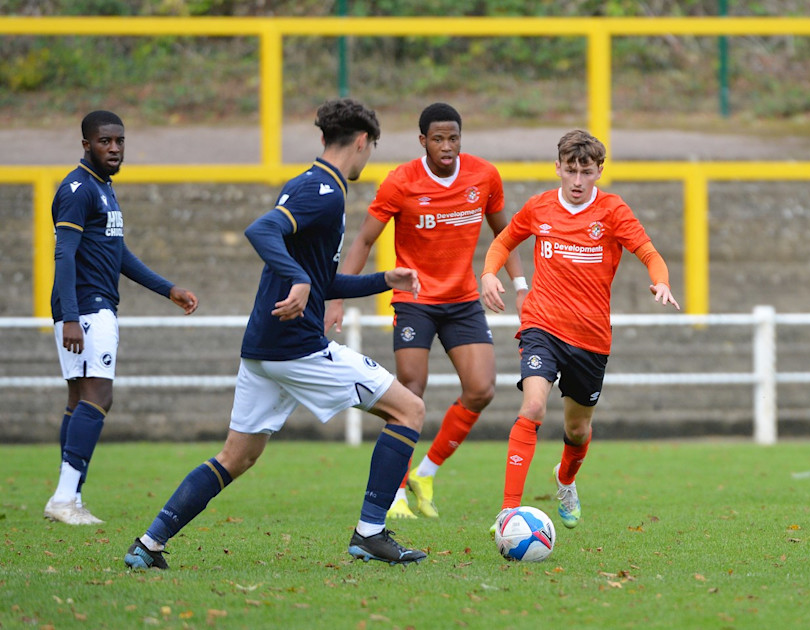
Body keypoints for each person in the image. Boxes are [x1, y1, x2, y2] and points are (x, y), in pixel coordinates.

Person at [124, 99, 428, 570]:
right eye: (371, 148)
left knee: (237, 456)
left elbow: (319, 280)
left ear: (324, 137)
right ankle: (370, 533)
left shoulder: (308, 183)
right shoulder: (325, 192)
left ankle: (149, 544)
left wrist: (382, 280)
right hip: (297, 348)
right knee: (409, 410)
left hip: (265, 347)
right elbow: (261, 230)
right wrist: (299, 279)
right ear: (363, 141)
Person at [325, 102, 526, 520]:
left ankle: (426, 473)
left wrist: (520, 286)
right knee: (410, 391)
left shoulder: (484, 176)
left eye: (453, 138)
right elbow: (364, 240)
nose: (447, 146)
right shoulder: (401, 182)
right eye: (438, 139)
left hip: (462, 301)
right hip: (415, 300)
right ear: (423, 141)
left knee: (482, 389)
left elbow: (505, 235)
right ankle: (395, 492)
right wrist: (337, 296)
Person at [481, 129, 679, 533]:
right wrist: (488, 273)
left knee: (577, 429)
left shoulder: (612, 211)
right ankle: (508, 512)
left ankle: (566, 479)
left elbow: (649, 253)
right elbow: (503, 242)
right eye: (570, 170)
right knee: (533, 407)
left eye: (585, 172)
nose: (576, 181)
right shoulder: (539, 207)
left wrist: (661, 281)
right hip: (542, 325)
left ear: (598, 171)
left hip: (590, 338)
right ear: (557, 167)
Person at [45, 110, 199, 526]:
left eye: (119, 141)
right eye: (105, 141)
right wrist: (72, 316)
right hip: (87, 306)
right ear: (86, 145)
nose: (114, 148)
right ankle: (64, 498)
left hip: (87, 307)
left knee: (79, 400)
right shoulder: (78, 189)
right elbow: (64, 255)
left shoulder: (103, 188)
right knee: (99, 397)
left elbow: (118, 254)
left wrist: (167, 288)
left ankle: (70, 497)